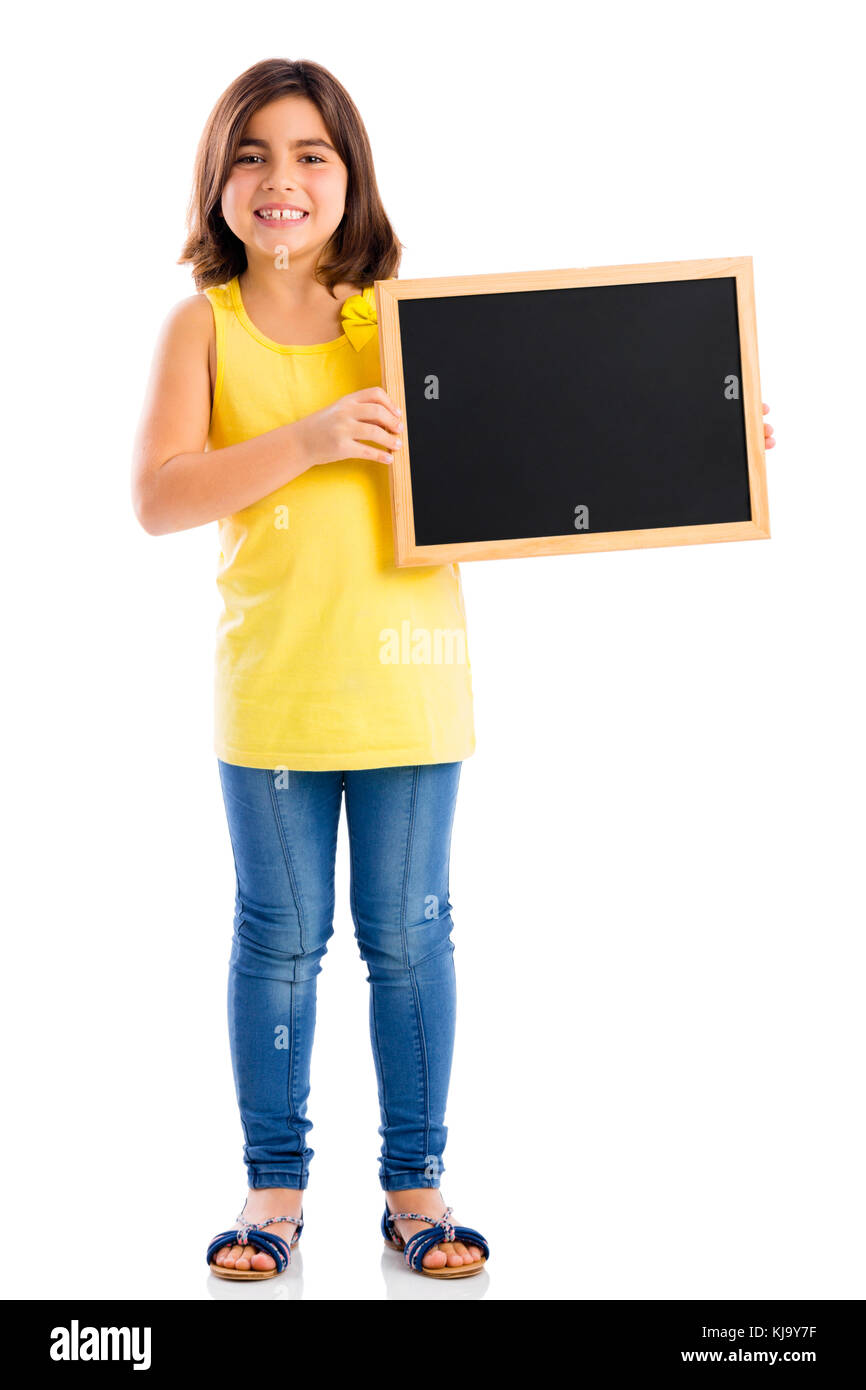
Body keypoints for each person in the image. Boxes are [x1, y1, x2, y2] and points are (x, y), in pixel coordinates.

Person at [131, 57, 490, 1280]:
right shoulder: (207, 326)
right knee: (279, 941)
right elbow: (160, 497)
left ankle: (416, 1186)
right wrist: (312, 435)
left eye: (309, 155)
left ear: (350, 176)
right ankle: (272, 1191)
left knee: (410, 935)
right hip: (277, 691)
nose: (280, 181)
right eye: (253, 155)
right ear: (220, 181)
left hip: (407, 683)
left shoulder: (396, 315)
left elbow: (529, 451)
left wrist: (695, 442)